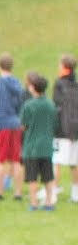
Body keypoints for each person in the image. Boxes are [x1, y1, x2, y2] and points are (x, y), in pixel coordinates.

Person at [0, 54, 24, 201]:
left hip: (1, 123)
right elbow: (20, 103)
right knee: (15, 159)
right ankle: (18, 192)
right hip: (15, 122)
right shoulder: (17, 84)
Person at [19, 71, 57, 211]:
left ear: (33, 88)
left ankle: (34, 202)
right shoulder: (50, 104)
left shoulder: (28, 105)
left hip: (32, 146)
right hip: (47, 146)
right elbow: (54, 122)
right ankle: (49, 201)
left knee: (32, 177)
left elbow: (22, 126)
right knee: (47, 176)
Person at [51, 54, 78, 205]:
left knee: (56, 162)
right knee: (74, 163)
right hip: (76, 130)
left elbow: (56, 107)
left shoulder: (59, 85)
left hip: (62, 130)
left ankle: (52, 193)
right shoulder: (76, 85)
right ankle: (76, 194)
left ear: (64, 68)